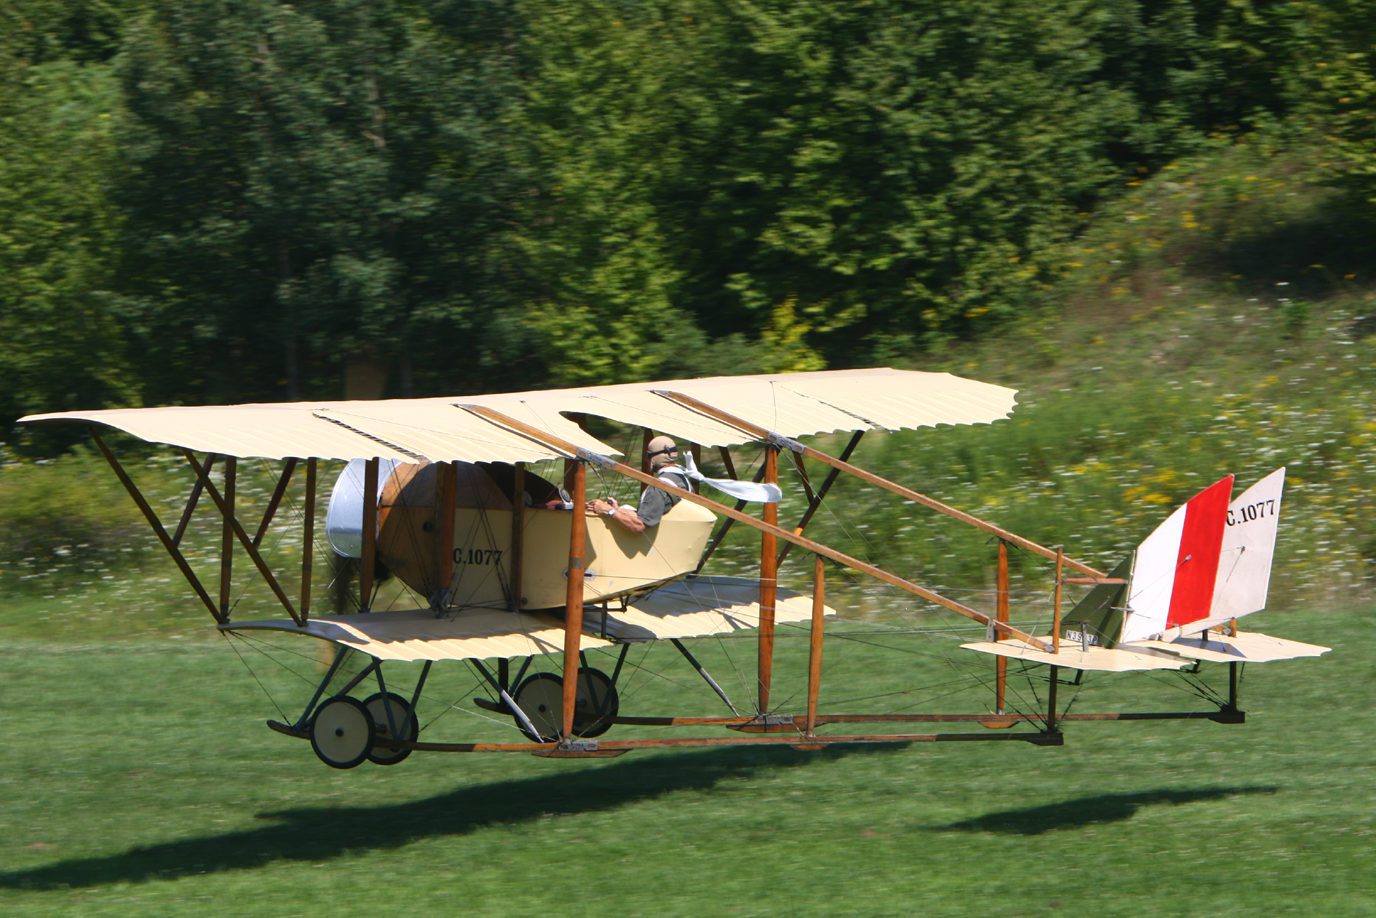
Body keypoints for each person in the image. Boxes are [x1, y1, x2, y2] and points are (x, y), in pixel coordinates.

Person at [587, 436, 693, 533]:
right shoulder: (684, 481)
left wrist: (608, 511)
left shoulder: (659, 488)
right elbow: (651, 514)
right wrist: (618, 510)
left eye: (648, 456)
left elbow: (639, 525)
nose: (647, 460)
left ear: (655, 457)